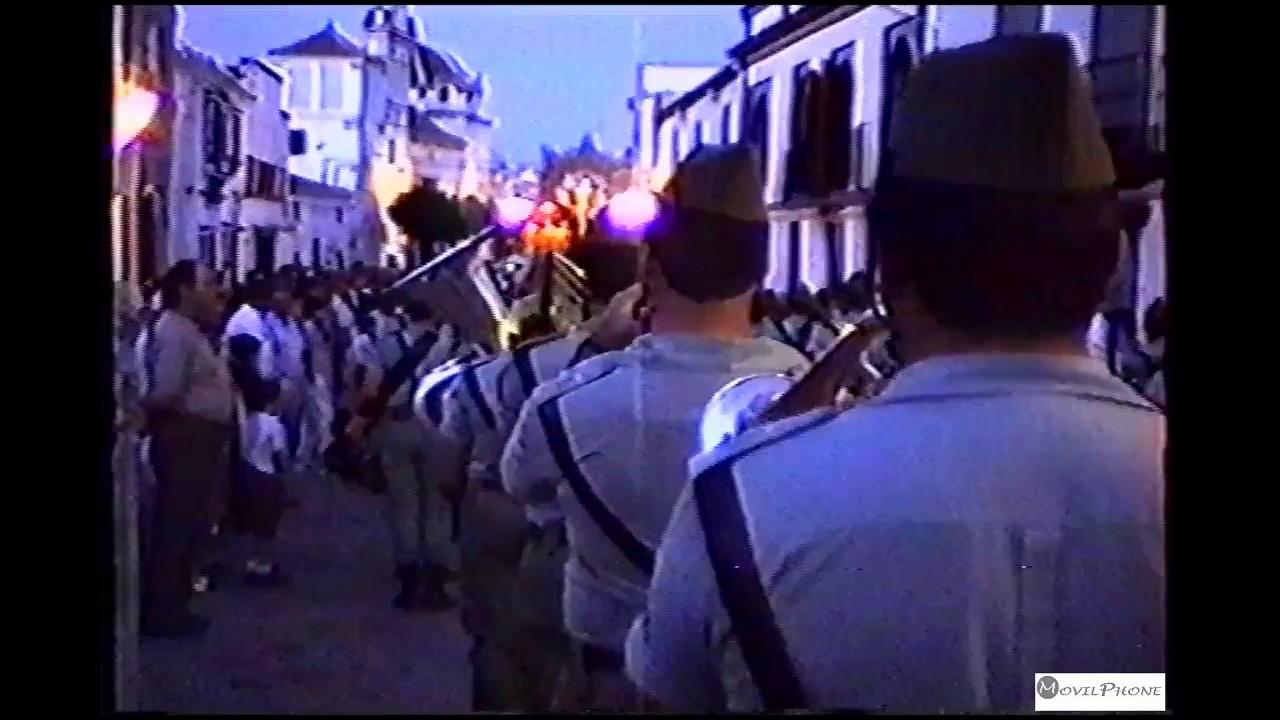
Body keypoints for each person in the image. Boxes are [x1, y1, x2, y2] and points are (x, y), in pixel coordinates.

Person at [626, 34, 1165, 712]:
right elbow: (1096, 695)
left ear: (889, 268)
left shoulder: (740, 499)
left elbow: (671, 694)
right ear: (1115, 263)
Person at [503, 144, 810, 711]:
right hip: (756, 688)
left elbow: (524, 489)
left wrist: (594, 346)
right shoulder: (829, 404)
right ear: (760, 270)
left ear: (650, 268)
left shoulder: (565, 404)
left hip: (609, 682)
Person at [455, 275, 645, 711]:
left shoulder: (517, 367)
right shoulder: (622, 370)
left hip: (505, 502)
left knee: (498, 638)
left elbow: (504, 462)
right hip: (573, 524)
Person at [139, 260, 235, 638]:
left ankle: (176, 604)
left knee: (190, 524)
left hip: (199, 440)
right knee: (175, 526)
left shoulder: (190, 331)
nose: (216, 293)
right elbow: (164, 391)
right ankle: (164, 611)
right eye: (208, 284)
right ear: (184, 290)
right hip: (185, 441)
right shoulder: (174, 332)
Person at [364, 296, 458, 611]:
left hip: (398, 424)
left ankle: (408, 577)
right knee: (436, 505)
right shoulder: (449, 345)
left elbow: (372, 387)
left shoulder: (385, 344)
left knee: (403, 505)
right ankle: (434, 578)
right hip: (437, 428)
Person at [237, 375, 290, 586]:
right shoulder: (273, 425)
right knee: (268, 527)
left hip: (248, 474)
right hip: (267, 476)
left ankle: (252, 563)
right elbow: (279, 454)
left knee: (253, 523)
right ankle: (264, 566)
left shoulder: (246, 422)